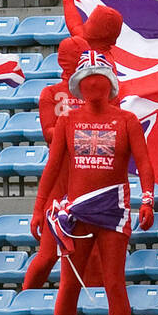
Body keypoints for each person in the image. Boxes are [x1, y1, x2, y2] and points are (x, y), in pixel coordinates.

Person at [30, 50, 156, 315]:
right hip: (77, 212)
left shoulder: (127, 120)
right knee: (70, 283)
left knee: (114, 282)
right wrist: (38, 209)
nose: (94, 84)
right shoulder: (67, 120)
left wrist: (148, 199)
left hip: (114, 211)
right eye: (87, 79)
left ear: (111, 82)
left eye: (99, 78)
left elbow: (145, 164)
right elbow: (51, 168)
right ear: (79, 84)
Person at [22, 36, 104, 291]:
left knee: (92, 256)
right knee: (47, 254)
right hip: (60, 182)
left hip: (89, 180)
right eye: (72, 55)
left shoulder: (97, 92)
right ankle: (23, 299)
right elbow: (49, 132)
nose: (77, 60)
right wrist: (81, 124)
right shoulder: (51, 93)